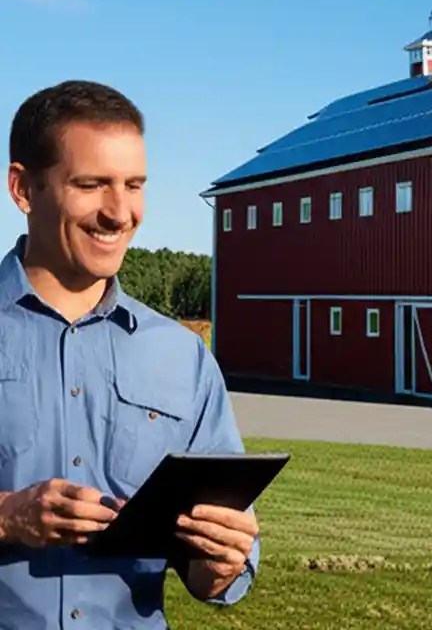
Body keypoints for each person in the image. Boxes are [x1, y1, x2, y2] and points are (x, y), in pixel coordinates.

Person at [0, 80, 260, 627]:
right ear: (23, 189)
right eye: (92, 184)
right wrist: (8, 517)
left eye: (134, 185)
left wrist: (221, 560)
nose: (120, 213)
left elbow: (212, 574)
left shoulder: (182, 356)